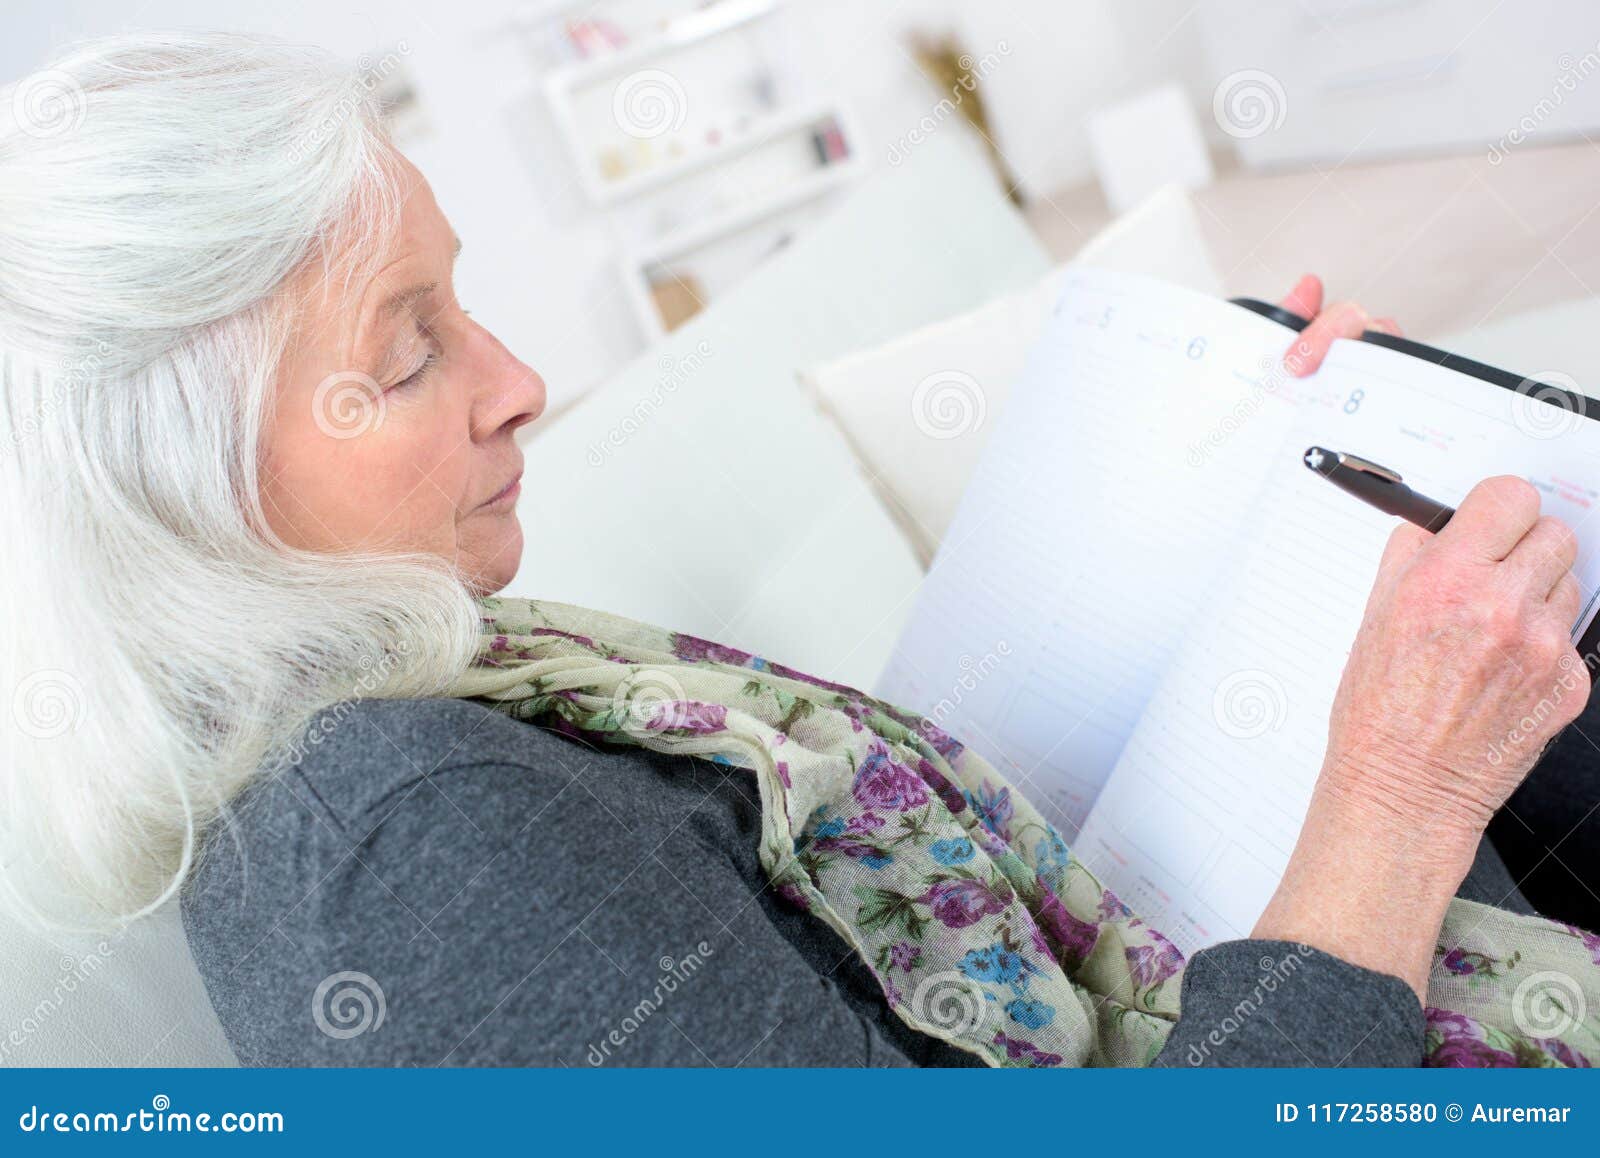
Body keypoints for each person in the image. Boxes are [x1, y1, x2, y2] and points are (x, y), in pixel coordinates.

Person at [0, 32, 1589, 1067]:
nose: (519, 386)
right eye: (408, 354)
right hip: (1350, 1003)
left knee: (1457, 451)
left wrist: (1265, 459)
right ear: (178, 487)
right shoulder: (410, 848)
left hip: (1231, 942)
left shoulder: (397, 666)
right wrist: (1395, 796)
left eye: (459, 303)